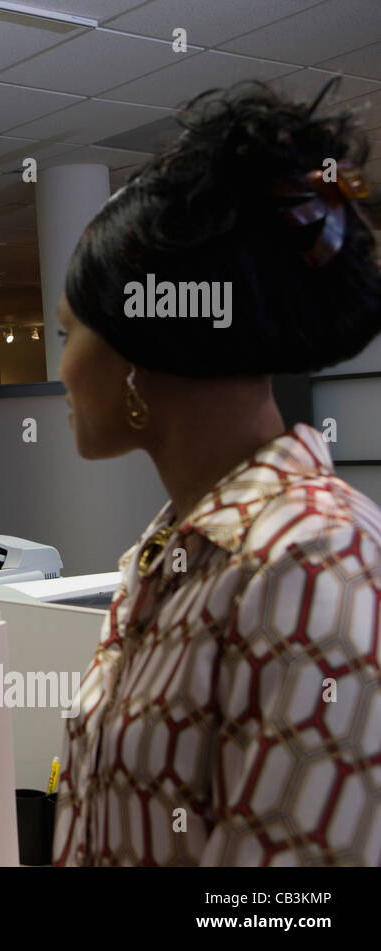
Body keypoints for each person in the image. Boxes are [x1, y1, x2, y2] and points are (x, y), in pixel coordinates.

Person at [53, 81, 381, 865]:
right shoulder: (177, 551)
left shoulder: (315, 563)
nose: (60, 371)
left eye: (68, 334)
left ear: (137, 355)